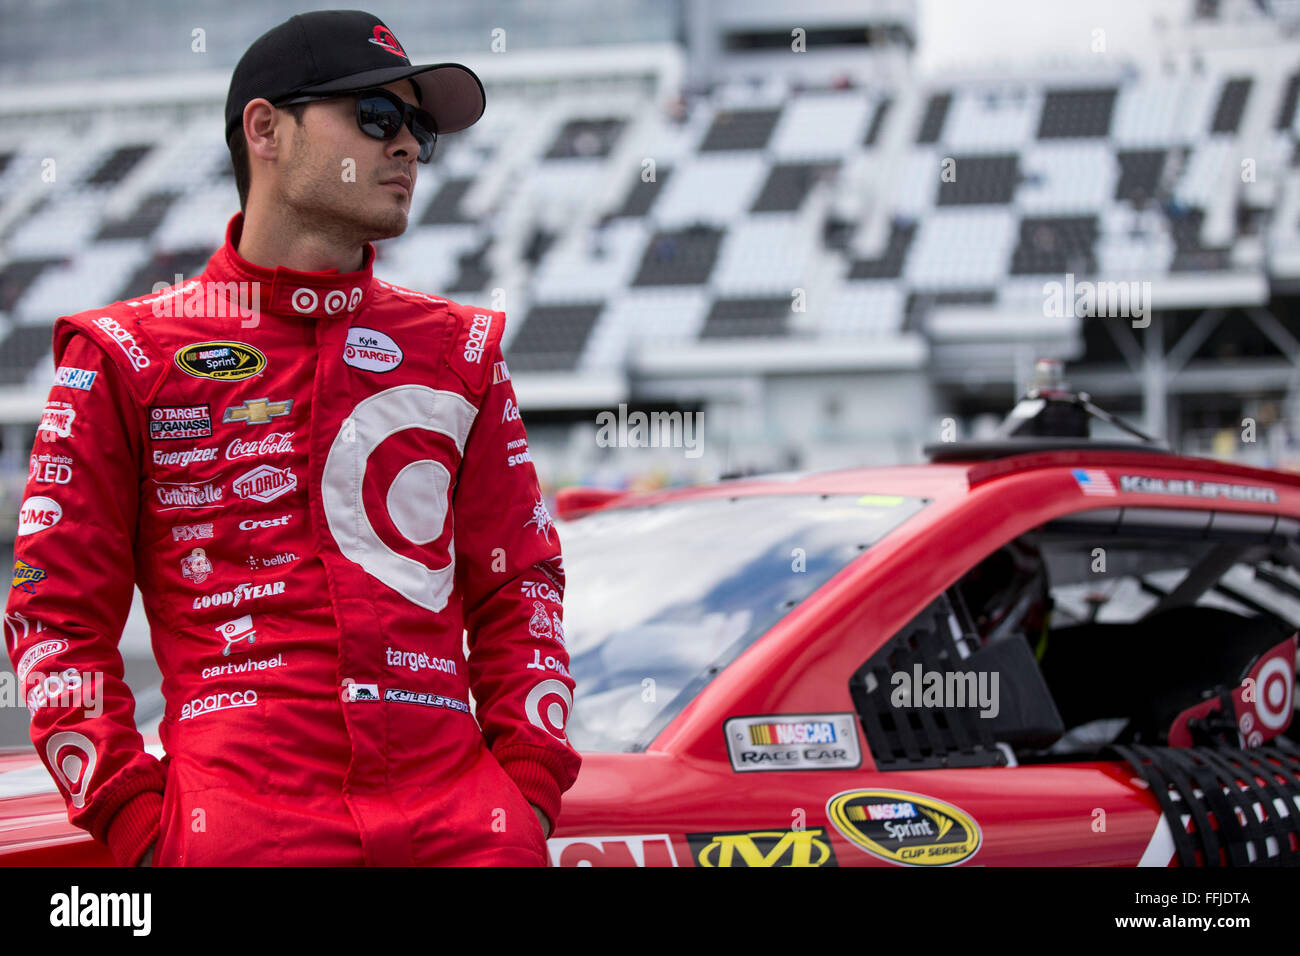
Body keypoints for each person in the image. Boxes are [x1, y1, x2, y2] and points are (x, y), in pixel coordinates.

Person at [3, 9, 579, 866]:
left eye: (420, 128)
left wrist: (527, 786)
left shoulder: (461, 353)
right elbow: (53, 614)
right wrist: (131, 818)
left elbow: (520, 588)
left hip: (467, 835)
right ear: (265, 129)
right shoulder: (123, 355)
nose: (410, 148)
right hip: (240, 836)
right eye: (378, 118)